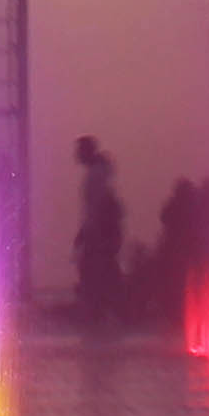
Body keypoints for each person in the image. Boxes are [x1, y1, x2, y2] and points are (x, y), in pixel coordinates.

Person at [71, 136, 125, 323]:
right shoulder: (98, 174)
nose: (76, 155)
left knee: (95, 272)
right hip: (102, 231)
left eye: (79, 150)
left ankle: (102, 314)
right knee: (102, 271)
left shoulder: (95, 176)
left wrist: (86, 233)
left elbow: (95, 208)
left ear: (87, 151)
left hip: (100, 233)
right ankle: (109, 312)